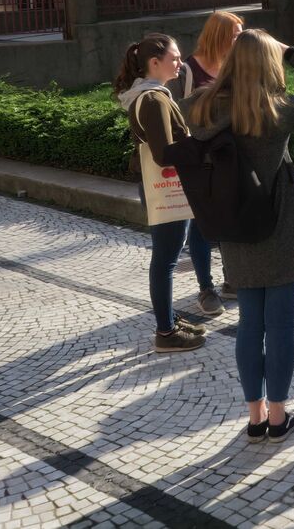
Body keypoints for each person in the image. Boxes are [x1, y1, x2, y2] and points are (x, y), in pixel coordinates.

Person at [185, 30, 294, 444]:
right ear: (270, 65)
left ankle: (255, 417)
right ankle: (277, 417)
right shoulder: (276, 111)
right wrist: (293, 52)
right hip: (280, 227)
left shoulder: (201, 107)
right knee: (281, 326)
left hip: (235, 226)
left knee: (249, 324)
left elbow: (178, 109)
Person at [114, 34, 218, 353]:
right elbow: (164, 154)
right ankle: (166, 332)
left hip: (162, 187)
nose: (180, 63)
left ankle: (169, 319)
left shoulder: (149, 95)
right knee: (166, 260)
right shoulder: (153, 99)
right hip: (166, 189)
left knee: (166, 257)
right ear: (154, 63)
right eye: (174, 58)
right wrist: (203, 145)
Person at [169, 9, 245, 304]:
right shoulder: (188, 71)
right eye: (235, 35)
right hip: (200, 159)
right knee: (201, 225)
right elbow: (177, 115)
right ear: (220, 36)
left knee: (229, 218)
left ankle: (231, 278)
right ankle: (206, 288)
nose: (240, 39)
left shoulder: (234, 66)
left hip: (228, 155)